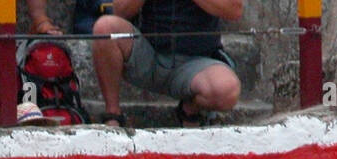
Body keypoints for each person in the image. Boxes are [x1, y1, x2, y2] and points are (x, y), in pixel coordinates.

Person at [81, 0, 243, 129]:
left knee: (227, 90)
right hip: (148, 55)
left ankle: (190, 110)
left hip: (195, 62)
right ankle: (113, 114)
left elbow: (234, 10)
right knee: (105, 27)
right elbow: (119, 11)